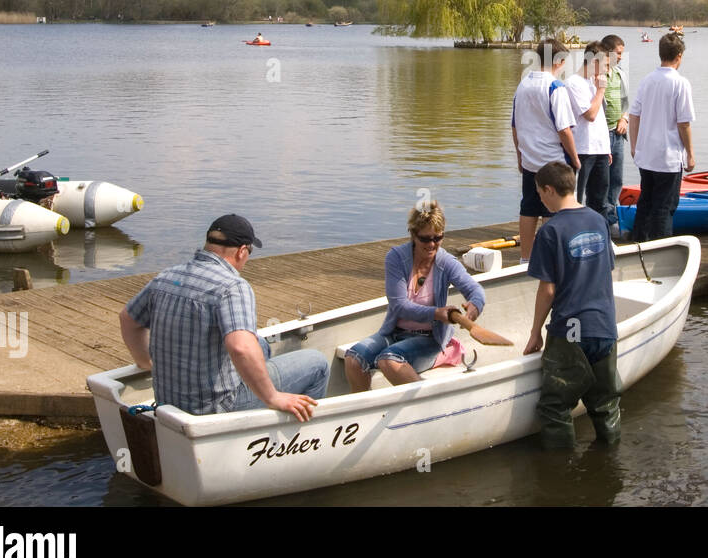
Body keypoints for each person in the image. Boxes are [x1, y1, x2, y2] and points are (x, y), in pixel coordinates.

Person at [119, 214, 329, 421]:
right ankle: (294, 440)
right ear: (242, 251)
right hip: (217, 407)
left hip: (168, 402)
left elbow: (128, 319)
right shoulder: (232, 287)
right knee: (316, 363)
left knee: (260, 344)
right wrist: (272, 397)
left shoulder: (167, 276)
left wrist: (145, 362)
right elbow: (240, 347)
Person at [522, 161, 621, 449]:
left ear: (549, 190)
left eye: (540, 193)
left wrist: (535, 331)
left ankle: (561, 476)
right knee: (605, 403)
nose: (540, 199)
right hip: (604, 326)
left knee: (555, 407)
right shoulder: (598, 221)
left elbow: (548, 289)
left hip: (570, 332)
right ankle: (610, 462)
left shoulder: (550, 232)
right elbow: (606, 269)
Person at [344, 201, 486, 392]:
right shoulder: (395, 258)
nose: (432, 244)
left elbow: (475, 290)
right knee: (354, 359)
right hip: (394, 333)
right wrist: (437, 313)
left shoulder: (446, 262)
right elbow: (400, 305)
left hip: (429, 339)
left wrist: (474, 307)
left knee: (389, 360)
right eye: (425, 239)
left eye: (437, 238)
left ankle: (424, 409)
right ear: (413, 235)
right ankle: (362, 412)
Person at [512, 39, 580, 261]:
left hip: (530, 159)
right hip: (553, 161)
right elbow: (564, 130)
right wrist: (575, 158)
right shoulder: (555, 87)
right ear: (559, 62)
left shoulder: (522, 85)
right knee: (554, 210)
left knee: (529, 207)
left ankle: (525, 258)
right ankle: (549, 258)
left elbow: (514, 126)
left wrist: (519, 155)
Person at [627, 31, 696, 242]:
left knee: (646, 202)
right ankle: (662, 248)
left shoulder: (647, 80)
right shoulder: (680, 83)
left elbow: (634, 114)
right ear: (679, 55)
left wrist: (634, 144)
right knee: (665, 207)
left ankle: (639, 242)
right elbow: (683, 123)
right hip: (668, 157)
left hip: (646, 154)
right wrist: (691, 154)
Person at [567, 40, 612, 224]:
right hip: (583, 149)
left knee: (600, 200)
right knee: (576, 199)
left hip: (600, 149)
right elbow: (590, 115)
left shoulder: (593, 83)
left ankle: (599, 234)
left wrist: (606, 147)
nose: (608, 70)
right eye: (606, 65)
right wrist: (601, 90)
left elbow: (600, 118)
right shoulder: (573, 83)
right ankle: (575, 231)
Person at [600, 34, 630, 227]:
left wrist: (624, 118)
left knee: (616, 179)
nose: (621, 57)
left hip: (618, 135)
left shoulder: (621, 74)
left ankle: (611, 219)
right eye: (618, 53)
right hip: (600, 137)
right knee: (600, 181)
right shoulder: (595, 74)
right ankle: (599, 217)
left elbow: (626, 103)